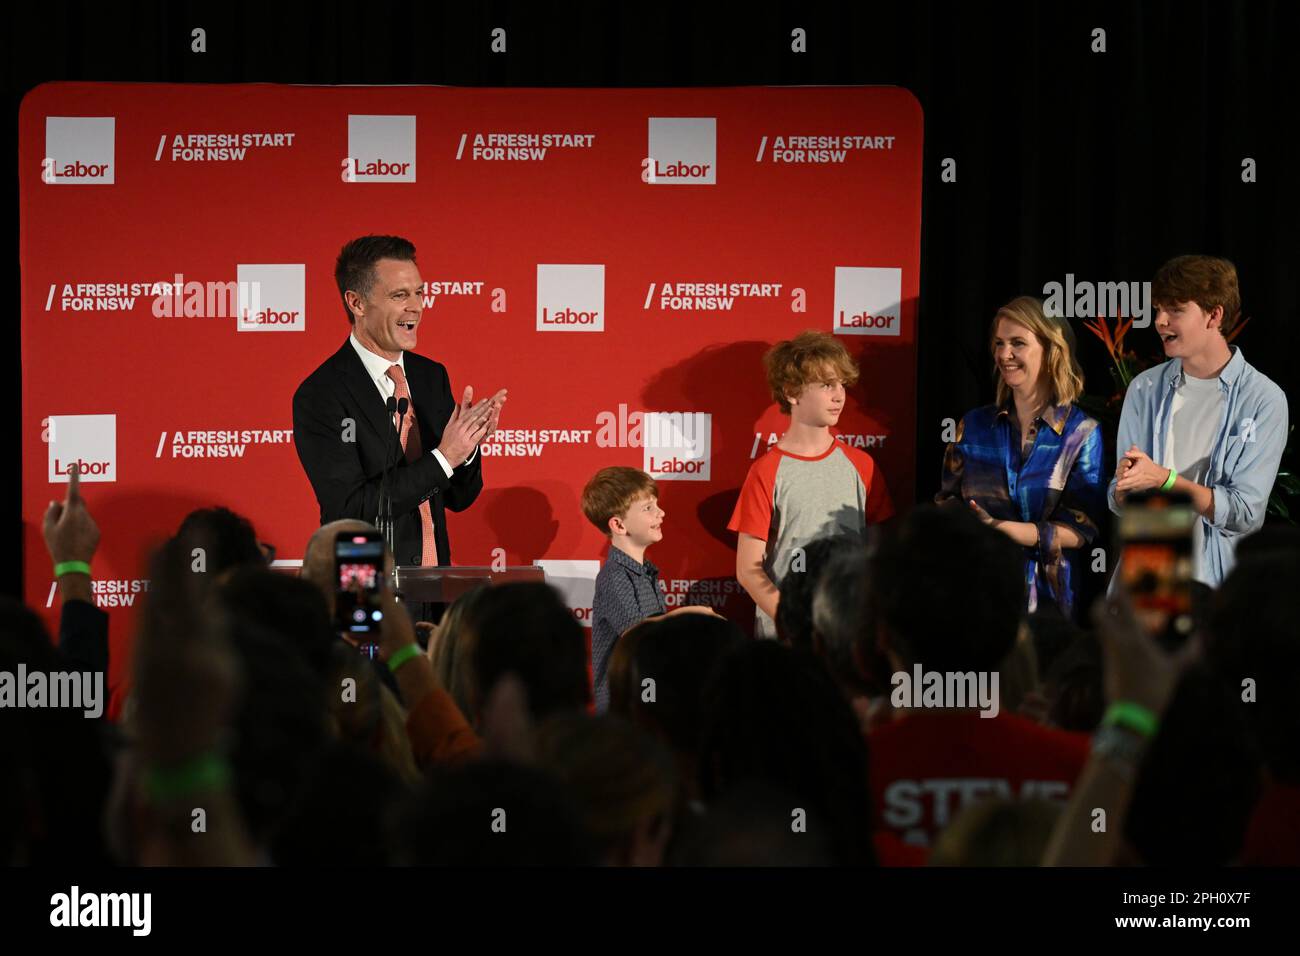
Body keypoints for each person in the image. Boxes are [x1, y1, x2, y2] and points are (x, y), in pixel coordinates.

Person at [292, 235, 507, 569]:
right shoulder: (321, 394)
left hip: (433, 586)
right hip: (363, 586)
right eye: (399, 295)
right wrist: (445, 456)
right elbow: (351, 509)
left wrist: (467, 449)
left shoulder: (430, 377)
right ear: (357, 303)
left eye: (419, 293)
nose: (417, 306)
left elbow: (458, 498)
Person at [1109, 255, 1287, 589]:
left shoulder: (1264, 399)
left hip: (1218, 589)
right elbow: (1119, 500)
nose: (1160, 320)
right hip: (1150, 583)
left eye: (1175, 309)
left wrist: (1165, 480)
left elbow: (1245, 514)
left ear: (1214, 315)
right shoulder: (1144, 388)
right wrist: (1124, 489)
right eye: (1158, 308)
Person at [937, 296, 1104, 620]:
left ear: (1051, 349)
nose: (1004, 354)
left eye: (1017, 343)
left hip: (1049, 603)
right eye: (999, 343)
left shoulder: (1081, 432)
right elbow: (947, 502)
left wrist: (999, 528)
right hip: (975, 597)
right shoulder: (971, 425)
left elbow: (1082, 529)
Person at [730, 331, 894, 639]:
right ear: (792, 391)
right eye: (827, 385)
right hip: (786, 640)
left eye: (842, 385)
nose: (839, 395)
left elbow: (878, 553)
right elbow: (748, 568)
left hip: (849, 635)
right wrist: (791, 618)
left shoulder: (862, 465)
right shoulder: (767, 470)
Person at [581, 466, 719, 712]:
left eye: (657, 505)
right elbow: (637, 634)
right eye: (648, 508)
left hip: (645, 696)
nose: (661, 513)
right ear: (618, 525)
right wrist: (691, 615)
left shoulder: (645, 571)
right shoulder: (614, 576)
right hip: (623, 706)